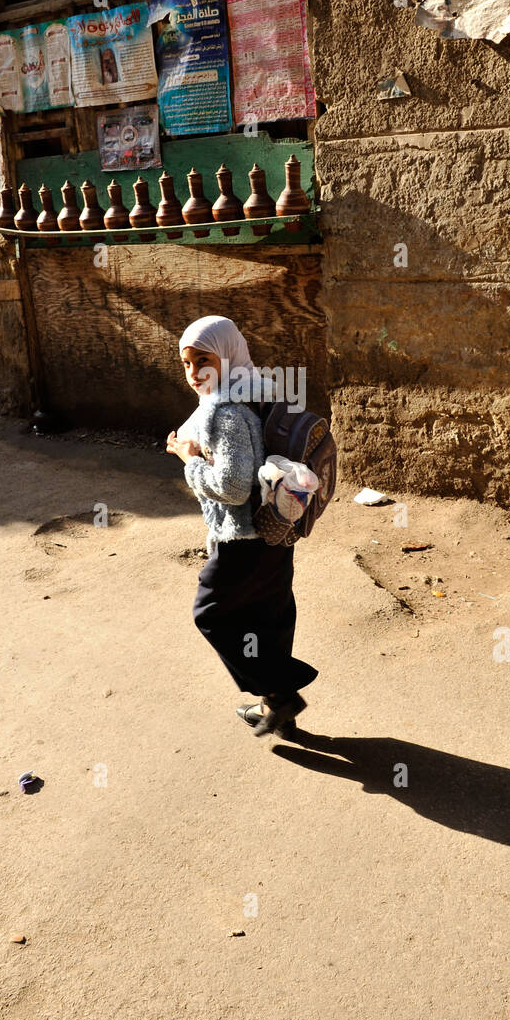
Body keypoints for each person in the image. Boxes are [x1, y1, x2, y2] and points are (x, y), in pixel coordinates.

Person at [166, 315, 317, 737]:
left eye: (203, 360)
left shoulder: (227, 411)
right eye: (185, 363)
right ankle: (276, 707)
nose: (194, 374)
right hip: (278, 527)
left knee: (210, 613)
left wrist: (189, 460)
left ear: (227, 355)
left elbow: (232, 488)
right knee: (268, 611)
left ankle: (281, 693)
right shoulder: (259, 391)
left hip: (242, 536)